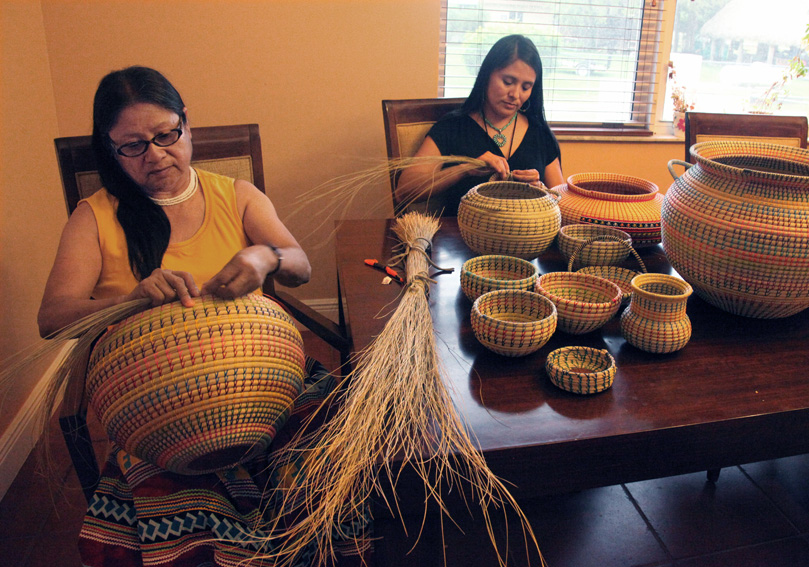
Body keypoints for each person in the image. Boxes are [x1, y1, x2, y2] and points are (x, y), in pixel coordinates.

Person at [38, 66, 363, 567]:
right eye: (133, 145)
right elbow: (53, 317)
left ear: (187, 124)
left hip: (261, 382)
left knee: (335, 469)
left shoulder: (235, 195)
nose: (156, 154)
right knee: (203, 525)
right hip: (157, 405)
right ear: (110, 147)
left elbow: (300, 265)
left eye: (167, 134)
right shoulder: (95, 216)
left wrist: (265, 257)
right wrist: (133, 300)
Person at [396, 34, 564, 216]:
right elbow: (404, 191)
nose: (515, 94)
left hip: (527, 240)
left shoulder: (540, 133)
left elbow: (562, 203)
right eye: (508, 82)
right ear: (487, 76)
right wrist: (464, 169)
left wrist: (541, 189)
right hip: (462, 239)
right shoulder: (453, 127)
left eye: (526, 87)